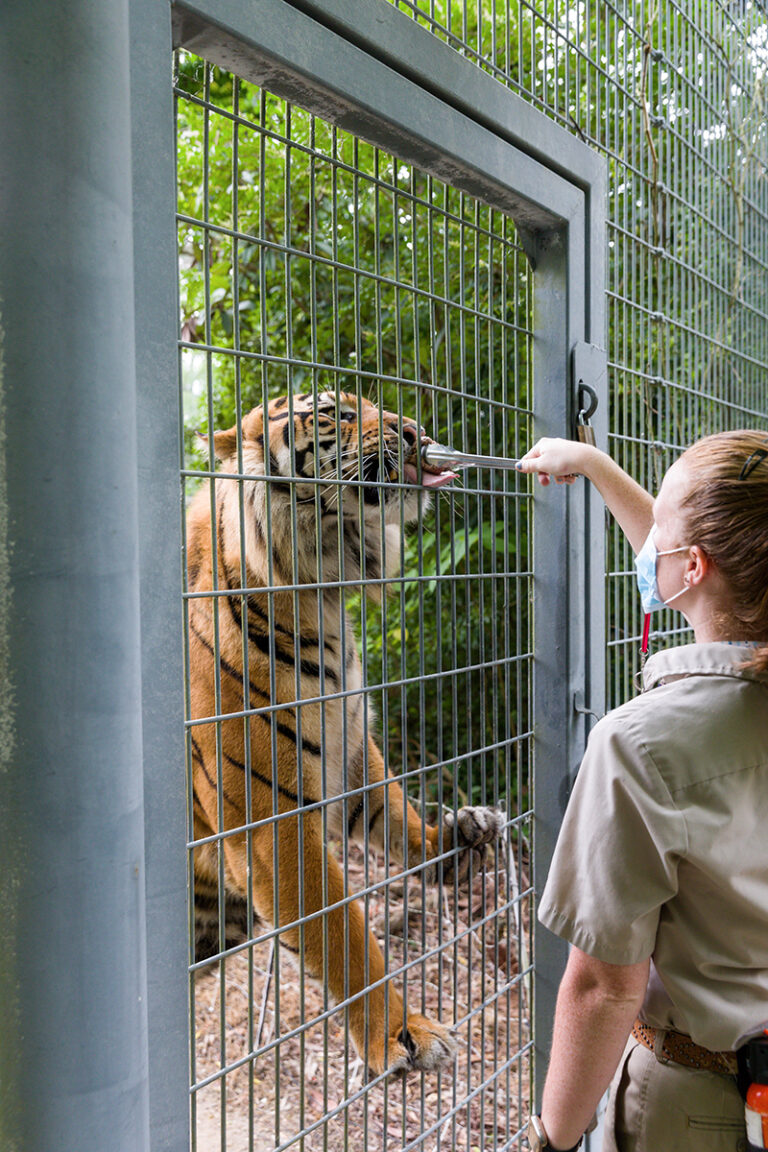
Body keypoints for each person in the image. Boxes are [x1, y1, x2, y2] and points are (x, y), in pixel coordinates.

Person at [515, 430, 768, 1152]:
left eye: (665, 530)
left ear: (694, 567)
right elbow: (693, 549)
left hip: (706, 1107)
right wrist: (593, 466)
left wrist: (552, 1138)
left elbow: (605, 989)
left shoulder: (643, 743)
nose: (647, 540)